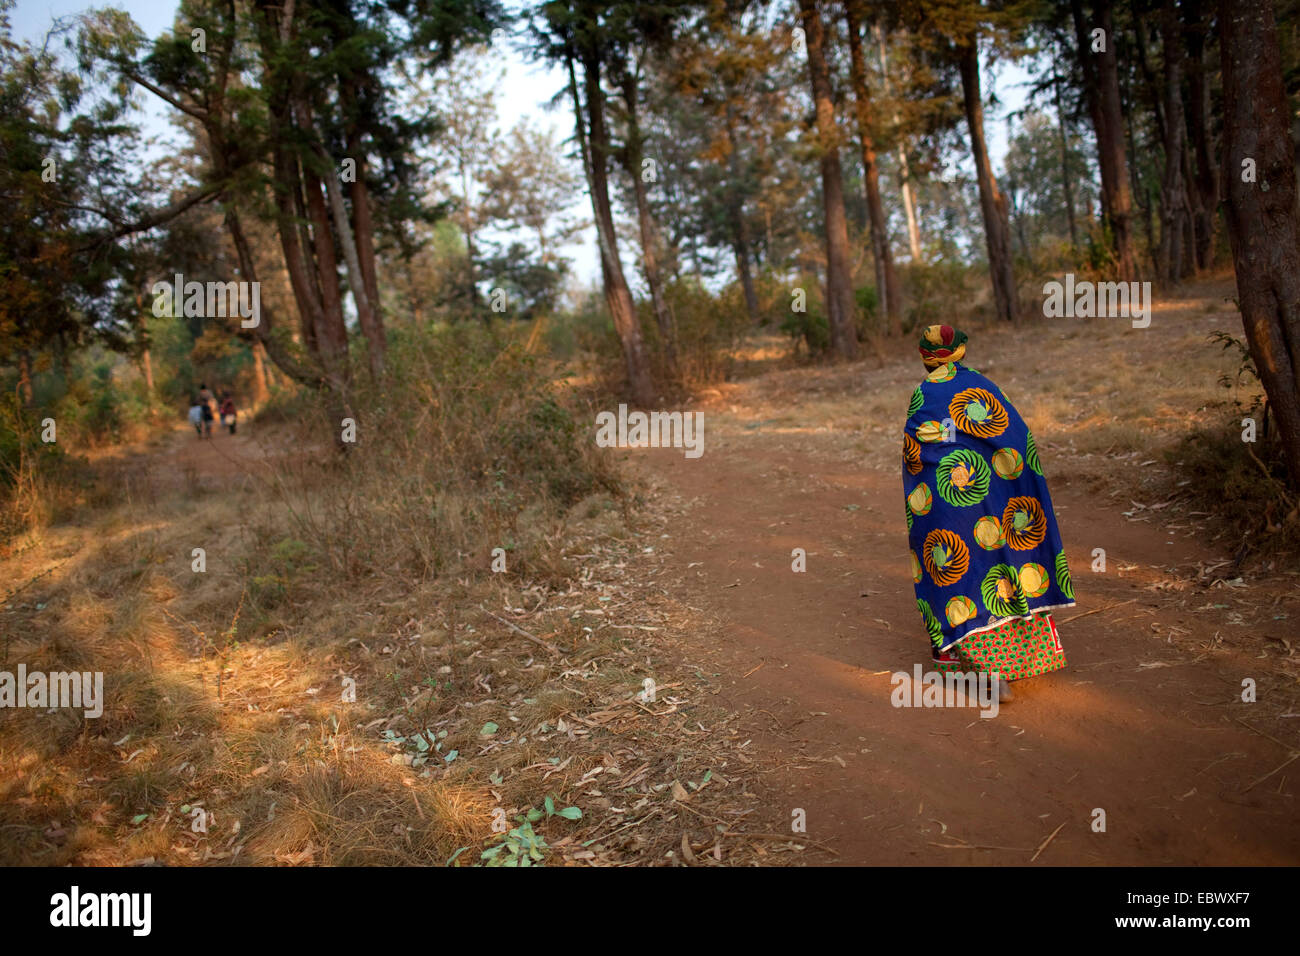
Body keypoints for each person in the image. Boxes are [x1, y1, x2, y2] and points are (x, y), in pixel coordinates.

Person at [902, 325, 1075, 703]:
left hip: (949, 508)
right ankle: (1019, 663)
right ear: (960, 351)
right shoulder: (986, 387)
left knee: (960, 579)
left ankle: (986, 673)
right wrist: (1010, 488)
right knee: (1001, 570)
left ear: (925, 357)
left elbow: (918, 457)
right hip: (997, 502)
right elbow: (1017, 439)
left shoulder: (923, 394)